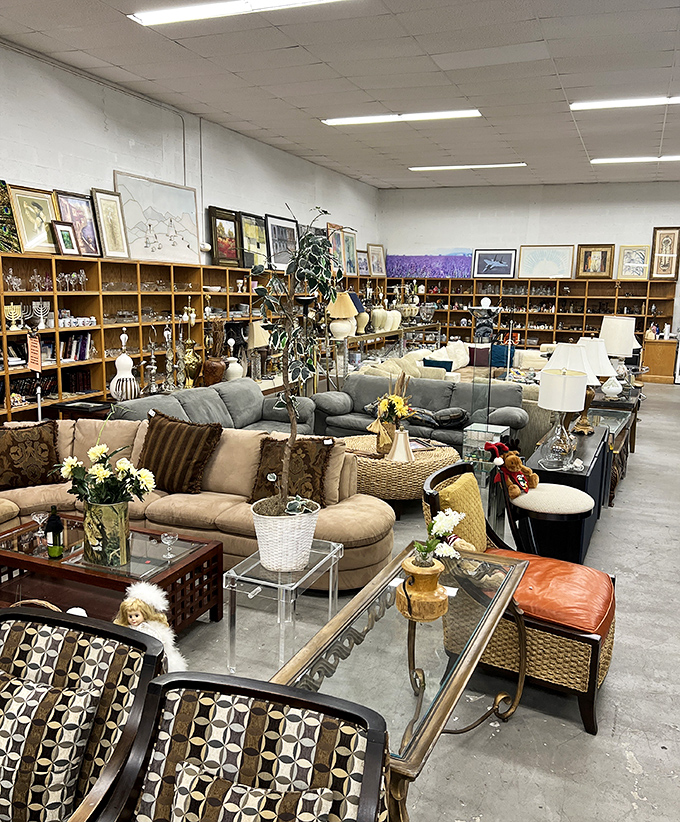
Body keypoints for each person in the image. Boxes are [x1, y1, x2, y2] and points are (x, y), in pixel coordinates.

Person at [113, 581, 187, 672]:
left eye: (136, 616)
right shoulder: (127, 628)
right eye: (130, 616)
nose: (133, 619)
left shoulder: (148, 629)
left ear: (144, 614)